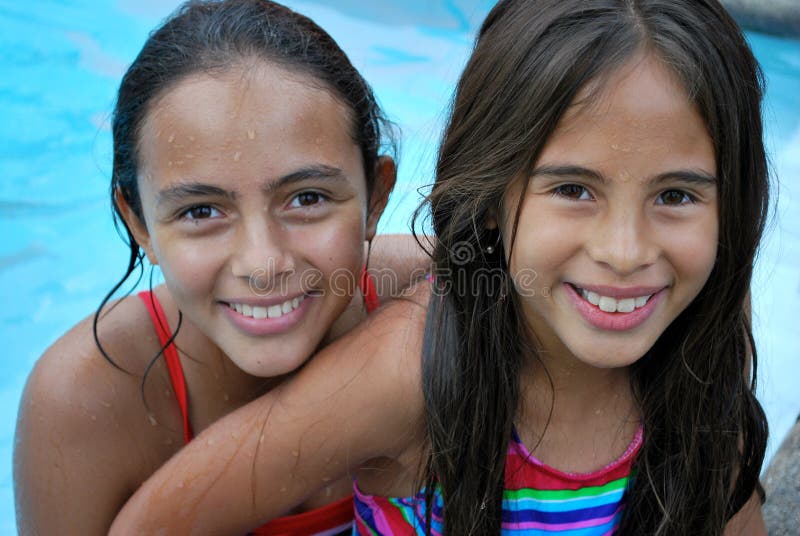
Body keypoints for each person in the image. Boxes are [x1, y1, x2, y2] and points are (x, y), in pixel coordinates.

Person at [110, 0, 770, 534]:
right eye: (572, 190)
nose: (625, 252)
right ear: (488, 199)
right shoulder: (412, 368)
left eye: (677, 196)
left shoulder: (704, 350)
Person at [12, 1, 431, 534]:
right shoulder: (85, 402)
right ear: (139, 224)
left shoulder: (433, 295)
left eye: (306, 199)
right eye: (201, 211)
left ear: (376, 197)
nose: (263, 264)